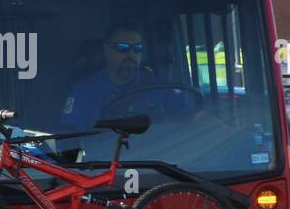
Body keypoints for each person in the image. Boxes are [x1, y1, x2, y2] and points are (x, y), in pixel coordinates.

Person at [59, 20, 191, 133]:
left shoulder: (160, 89)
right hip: (101, 161)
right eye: (123, 47)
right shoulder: (82, 93)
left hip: (154, 160)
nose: (131, 54)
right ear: (106, 50)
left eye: (137, 48)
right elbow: (68, 140)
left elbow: (195, 120)